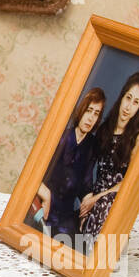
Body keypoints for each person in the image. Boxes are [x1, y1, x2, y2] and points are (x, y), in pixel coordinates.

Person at [78, 73, 139, 243]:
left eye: (136, 102)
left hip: (117, 194)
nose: (128, 107)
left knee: (104, 204)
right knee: (85, 214)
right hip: (96, 193)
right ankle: (83, 258)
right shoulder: (105, 127)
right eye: (128, 98)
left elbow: (131, 179)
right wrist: (87, 201)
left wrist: (96, 200)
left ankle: (94, 261)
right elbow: (88, 168)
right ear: (122, 97)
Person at [25, 88, 105, 244]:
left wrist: (87, 210)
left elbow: (86, 185)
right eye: (89, 110)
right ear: (81, 110)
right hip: (43, 209)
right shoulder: (60, 137)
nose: (91, 118)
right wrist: (46, 194)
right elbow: (32, 173)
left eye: (96, 113)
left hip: (66, 217)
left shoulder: (92, 145)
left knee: (71, 252)